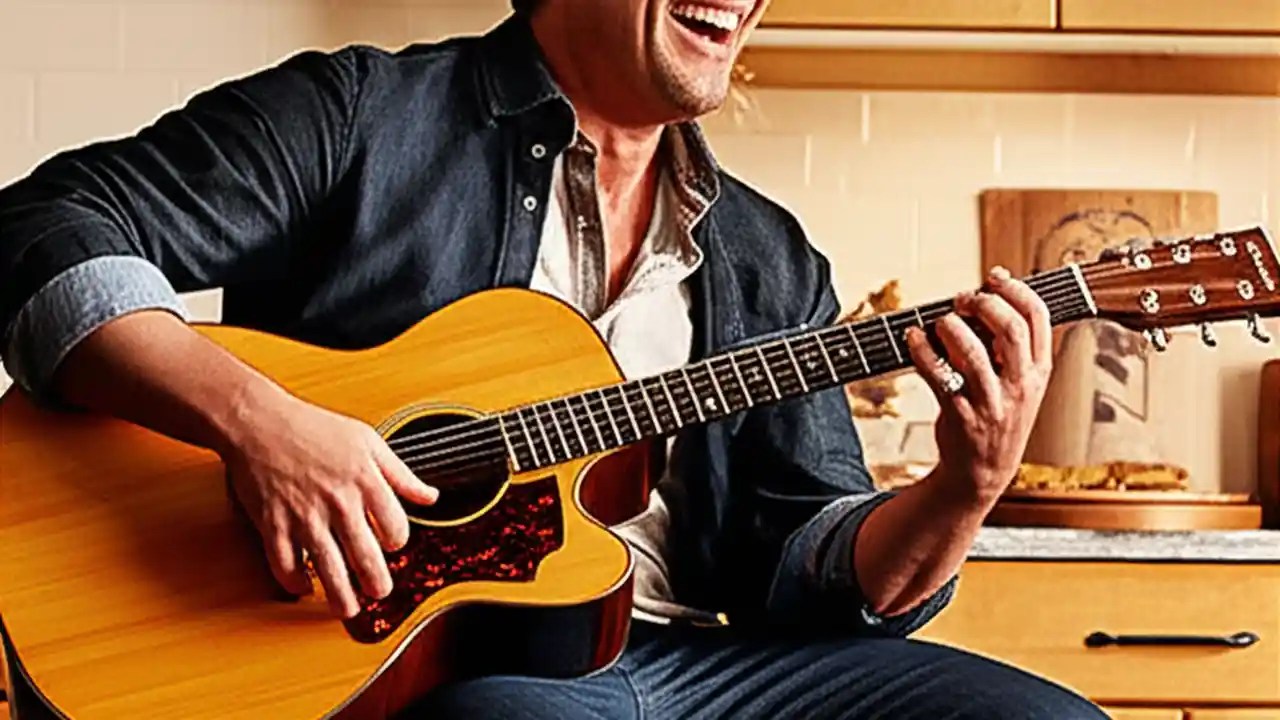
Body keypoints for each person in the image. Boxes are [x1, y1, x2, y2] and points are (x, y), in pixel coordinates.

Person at [0, 1, 1107, 717]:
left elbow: (804, 559)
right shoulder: (362, 117)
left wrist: (961, 493)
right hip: (449, 674)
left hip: (710, 669)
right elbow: (43, 225)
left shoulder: (766, 256)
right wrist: (259, 423)